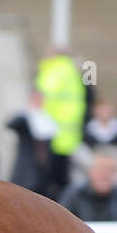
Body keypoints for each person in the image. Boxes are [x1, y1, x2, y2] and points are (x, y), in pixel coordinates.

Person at [34, 47, 85, 198]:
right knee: (63, 181)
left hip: (51, 135)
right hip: (68, 137)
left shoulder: (54, 71)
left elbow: (41, 100)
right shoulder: (72, 72)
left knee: (48, 185)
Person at [59, 148, 117, 222]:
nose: (105, 175)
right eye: (101, 169)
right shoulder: (74, 194)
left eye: (110, 170)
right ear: (90, 172)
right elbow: (61, 222)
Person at [6, 90, 56, 197]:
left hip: (42, 172)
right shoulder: (25, 118)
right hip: (25, 171)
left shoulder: (46, 118)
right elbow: (10, 125)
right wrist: (25, 112)